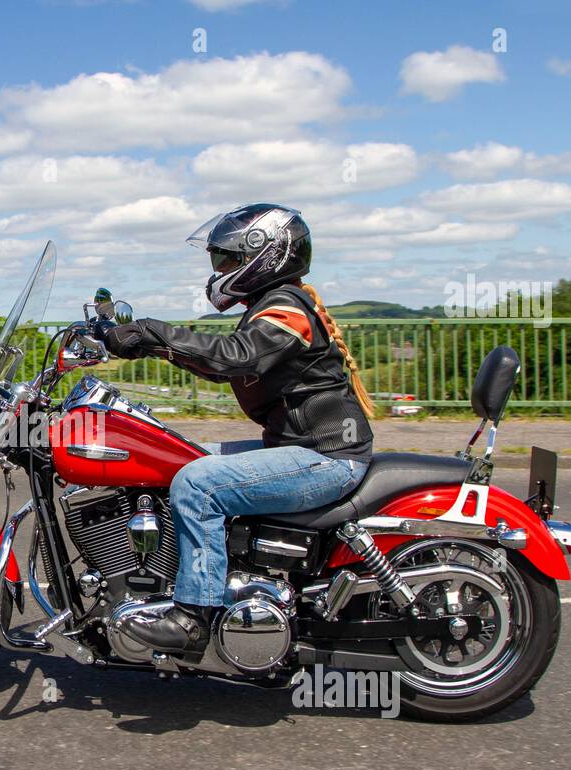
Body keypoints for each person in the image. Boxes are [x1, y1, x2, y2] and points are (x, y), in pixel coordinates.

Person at [101, 203, 376, 653]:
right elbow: (222, 365)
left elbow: (236, 355)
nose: (222, 269)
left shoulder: (287, 307)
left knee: (198, 485)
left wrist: (152, 333)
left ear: (265, 255)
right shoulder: (275, 304)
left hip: (326, 456)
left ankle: (194, 616)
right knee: (179, 458)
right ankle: (176, 579)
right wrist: (144, 344)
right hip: (302, 446)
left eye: (228, 259)